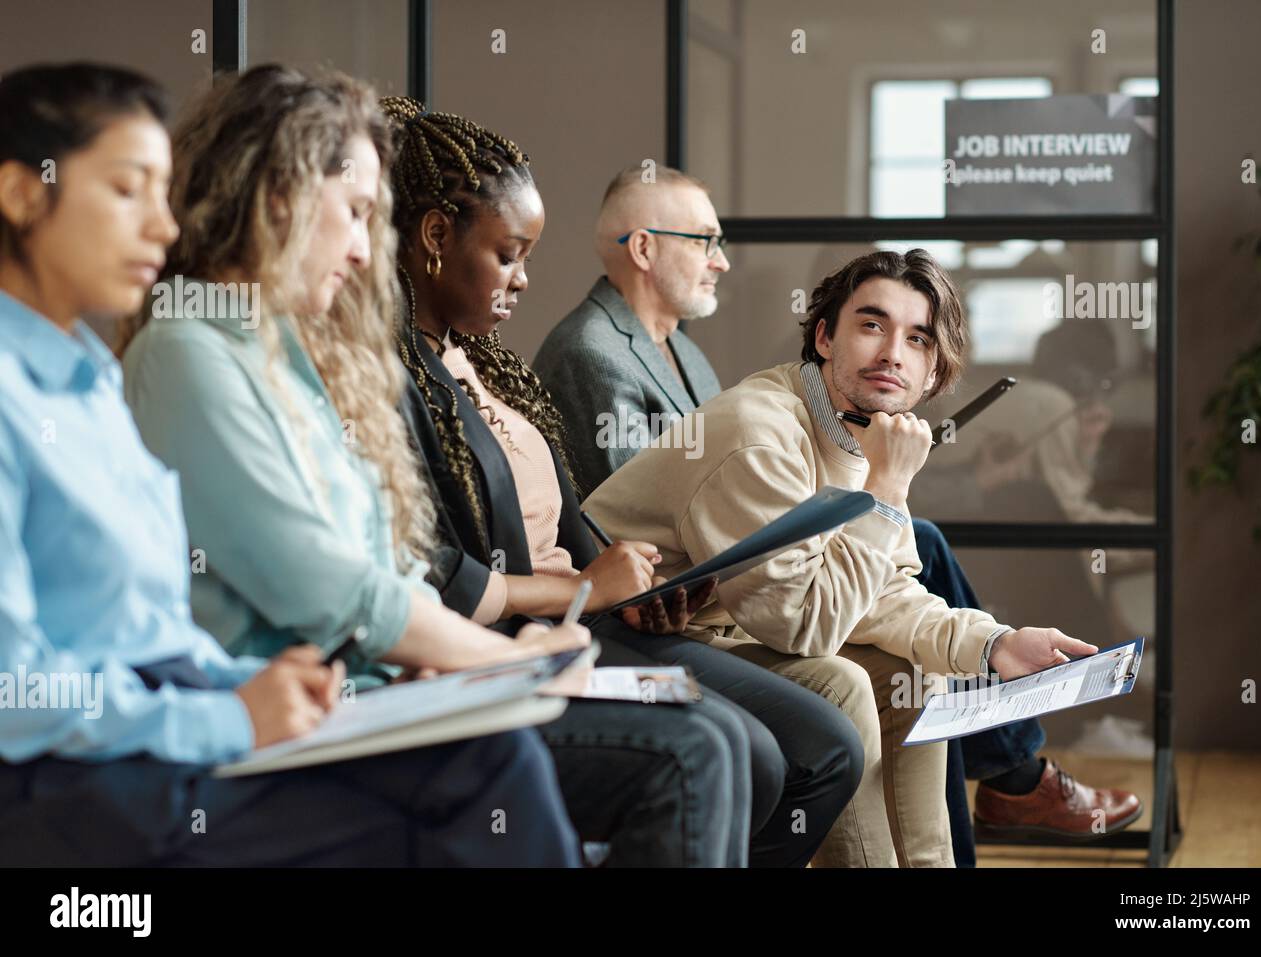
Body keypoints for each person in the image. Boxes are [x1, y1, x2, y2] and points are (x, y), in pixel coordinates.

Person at [0, 62, 579, 867]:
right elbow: (15, 695)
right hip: (76, 786)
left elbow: (157, 636)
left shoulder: (91, 380)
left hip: (158, 736)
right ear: (25, 194)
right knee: (487, 774)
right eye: (128, 191)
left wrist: (291, 692)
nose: (163, 229)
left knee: (483, 759)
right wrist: (233, 714)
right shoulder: (82, 379)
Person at [382, 98, 864, 867]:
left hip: (604, 616)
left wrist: (642, 585)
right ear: (436, 237)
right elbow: (441, 574)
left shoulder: (494, 366)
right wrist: (597, 587)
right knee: (753, 756)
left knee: (827, 746)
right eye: (508, 254)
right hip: (529, 634)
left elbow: (572, 521)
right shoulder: (394, 377)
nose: (525, 280)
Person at [584, 249, 1142, 866]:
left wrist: (994, 645)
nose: (891, 354)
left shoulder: (863, 436)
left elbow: (886, 593)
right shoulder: (759, 435)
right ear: (825, 336)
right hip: (621, 636)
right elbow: (804, 627)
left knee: (916, 675)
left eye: (918, 339)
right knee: (842, 681)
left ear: (934, 374)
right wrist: (890, 490)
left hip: (723, 630)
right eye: (871, 325)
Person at [532, 166, 724, 494]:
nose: (721, 262)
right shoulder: (590, 354)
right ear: (643, 249)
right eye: (704, 241)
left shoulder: (686, 350)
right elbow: (644, 513)